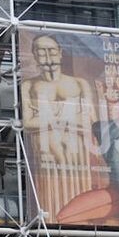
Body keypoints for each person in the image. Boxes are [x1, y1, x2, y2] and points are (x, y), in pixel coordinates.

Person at [21, 32, 103, 221]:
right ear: (34, 55)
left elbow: (91, 121)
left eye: (51, 50)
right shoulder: (28, 86)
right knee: (49, 209)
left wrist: (49, 118)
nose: (47, 56)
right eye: (41, 51)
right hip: (45, 158)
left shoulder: (80, 84)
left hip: (77, 158)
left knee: (79, 211)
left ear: (60, 52)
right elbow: (27, 122)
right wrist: (65, 119)